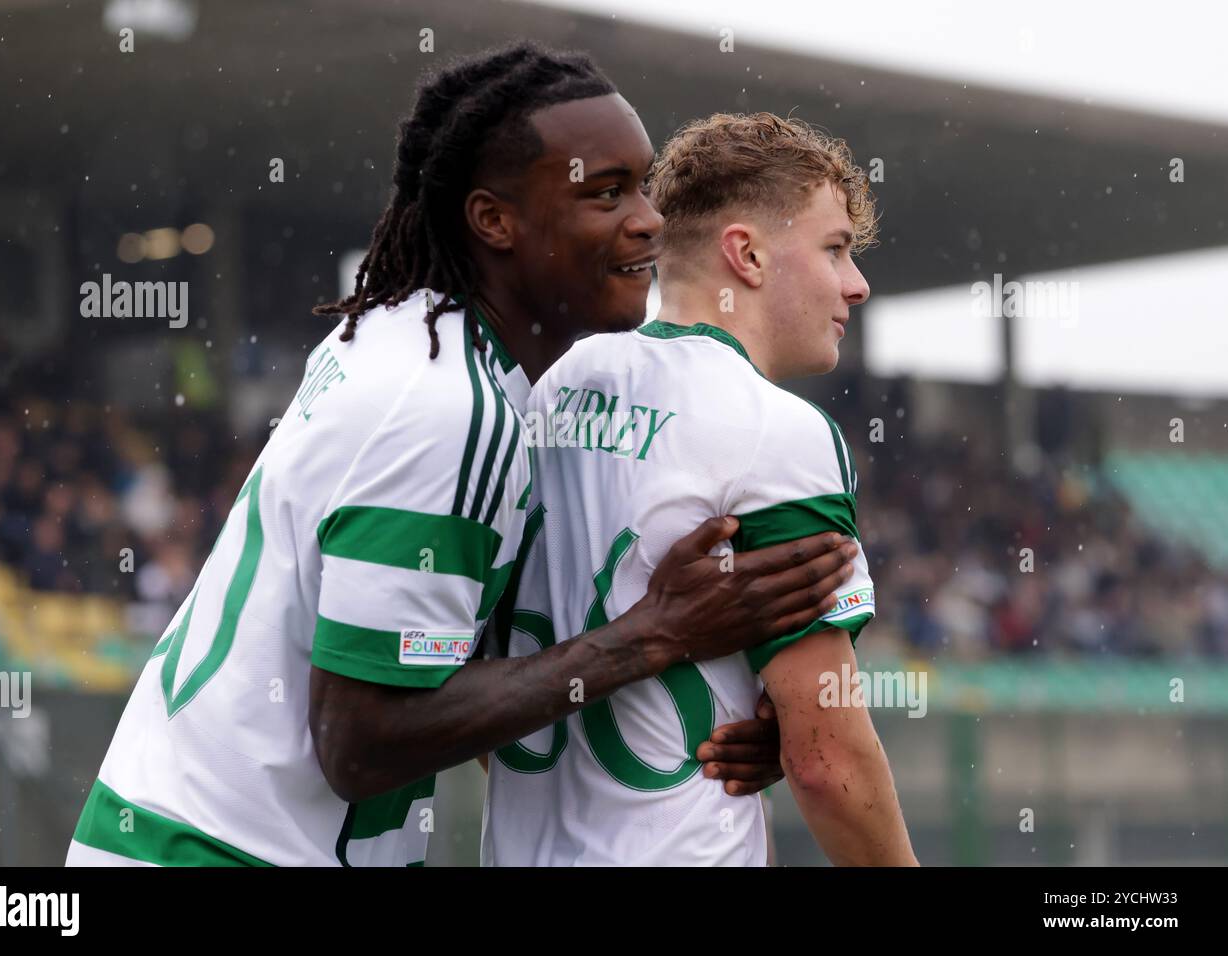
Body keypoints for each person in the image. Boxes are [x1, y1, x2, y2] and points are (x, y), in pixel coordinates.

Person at [66, 48, 854, 867]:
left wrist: (698, 712)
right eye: (605, 192)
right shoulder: (449, 410)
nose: (649, 219)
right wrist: (655, 636)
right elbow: (362, 741)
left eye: (645, 184)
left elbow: (430, 650)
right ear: (494, 220)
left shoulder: (394, 332)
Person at [484, 112, 918, 866]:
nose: (857, 285)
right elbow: (826, 764)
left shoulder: (553, 389)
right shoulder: (775, 431)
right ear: (745, 254)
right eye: (836, 249)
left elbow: (487, 699)